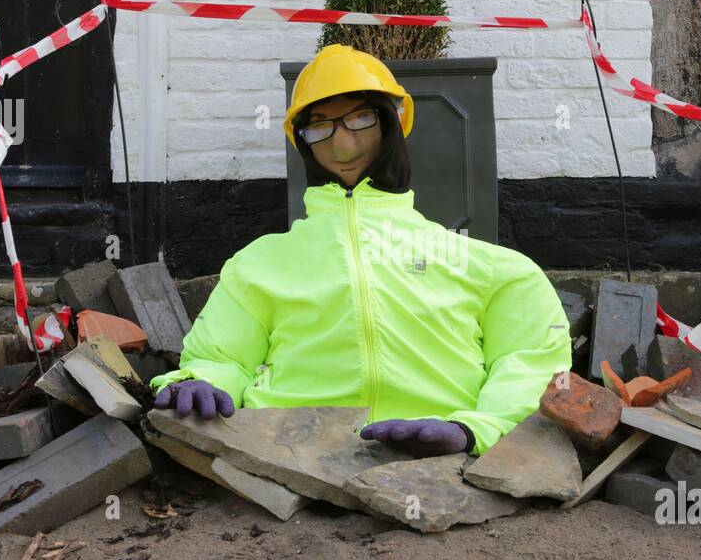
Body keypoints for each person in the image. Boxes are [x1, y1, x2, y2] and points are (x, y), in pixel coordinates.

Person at [150, 43, 571, 456]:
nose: (342, 146)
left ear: (392, 123)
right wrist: (204, 381)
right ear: (303, 142)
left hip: (439, 466)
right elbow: (223, 357)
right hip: (291, 459)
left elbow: (529, 360)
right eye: (320, 127)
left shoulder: (499, 271)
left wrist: (472, 430)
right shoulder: (256, 265)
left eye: (360, 119)